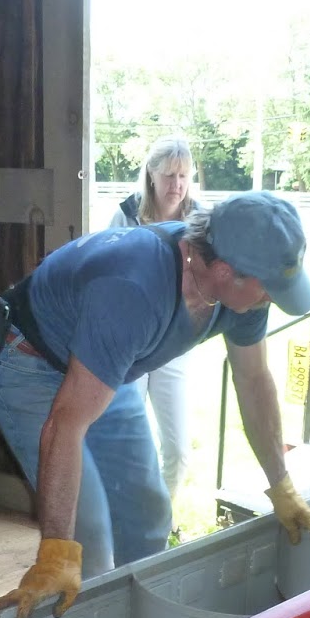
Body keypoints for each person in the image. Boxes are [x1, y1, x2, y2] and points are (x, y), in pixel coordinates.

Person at [0, 191, 310, 618]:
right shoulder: (134, 287)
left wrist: (280, 486)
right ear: (225, 271)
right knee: (87, 540)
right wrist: (55, 552)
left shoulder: (242, 290)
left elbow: (253, 380)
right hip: (26, 364)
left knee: (148, 513)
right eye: (269, 290)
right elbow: (65, 425)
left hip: (103, 369)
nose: (272, 299)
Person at [109, 135, 199, 501]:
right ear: (151, 175)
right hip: (131, 344)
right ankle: (126, 520)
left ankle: (161, 520)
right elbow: (105, 269)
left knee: (178, 450)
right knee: (127, 442)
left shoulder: (199, 219)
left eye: (183, 176)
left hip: (174, 342)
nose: (176, 185)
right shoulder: (127, 214)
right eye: (168, 176)